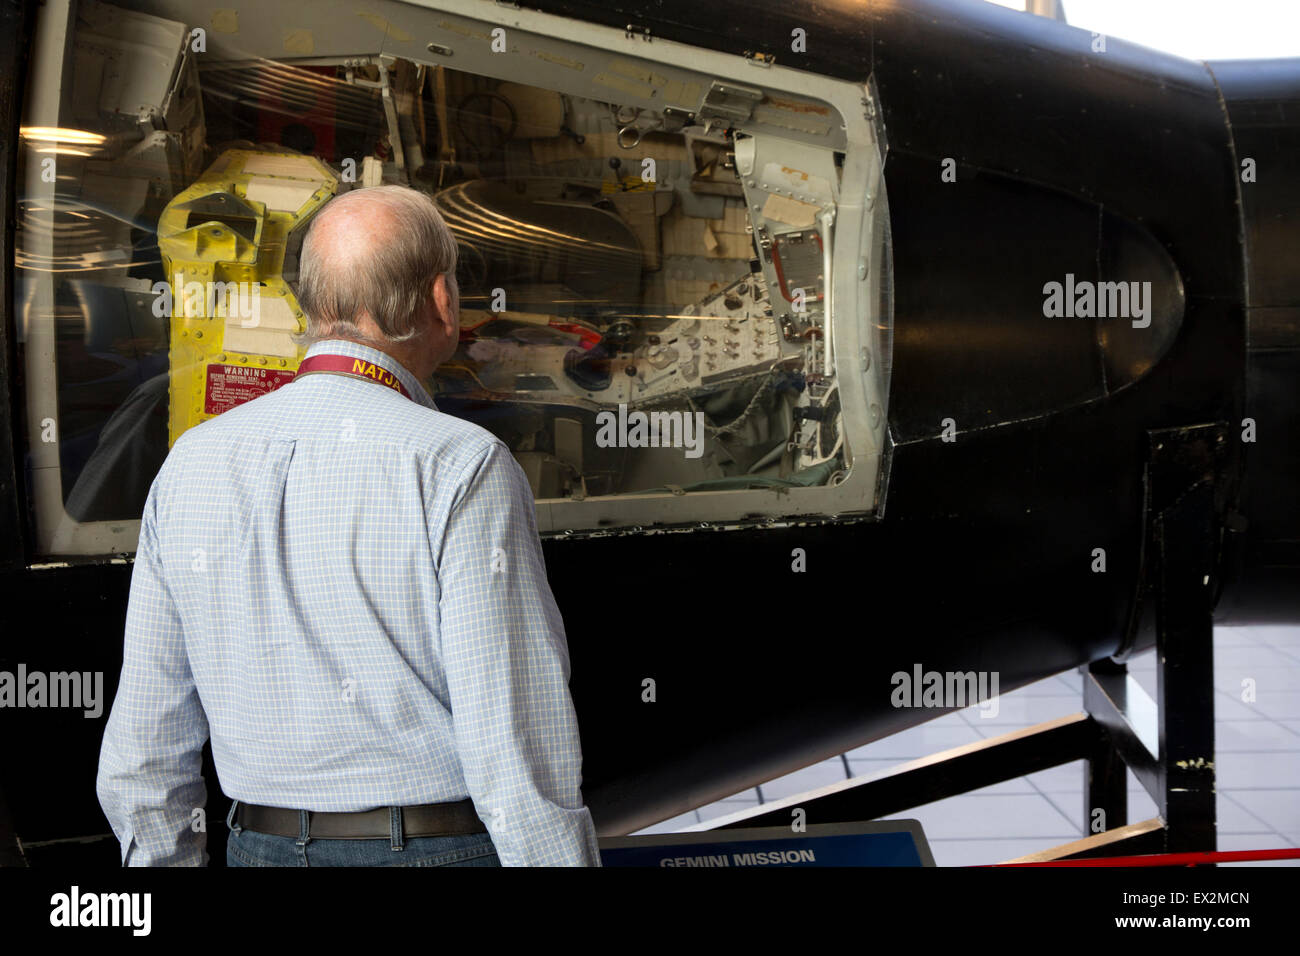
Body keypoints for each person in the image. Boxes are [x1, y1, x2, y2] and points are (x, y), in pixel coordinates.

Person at [96, 184, 601, 867]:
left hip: (258, 847)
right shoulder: (461, 465)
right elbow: (513, 742)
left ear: (309, 303)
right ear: (442, 301)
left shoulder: (191, 464)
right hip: (431, 851)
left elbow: (145, 747)